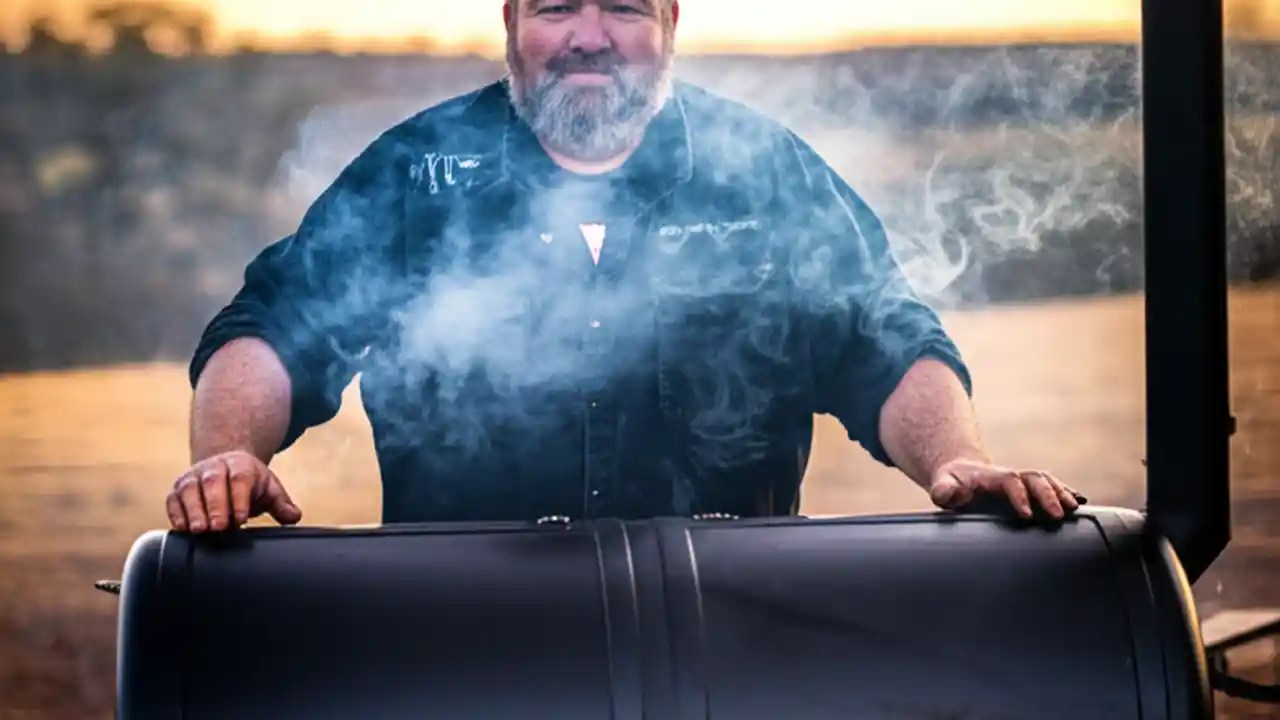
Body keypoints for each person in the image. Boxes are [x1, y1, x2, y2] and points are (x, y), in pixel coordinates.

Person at [167, 0, 1085, 534]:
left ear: (672, 20)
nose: (589, 35)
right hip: (462, 640)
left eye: (624, 5)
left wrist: (959, 460)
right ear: (512, 20)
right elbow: (275, 327)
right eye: (558, 5)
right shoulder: (416, 174)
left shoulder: (764, 169)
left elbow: (881, 337)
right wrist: (230, 458)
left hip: (731, 636)